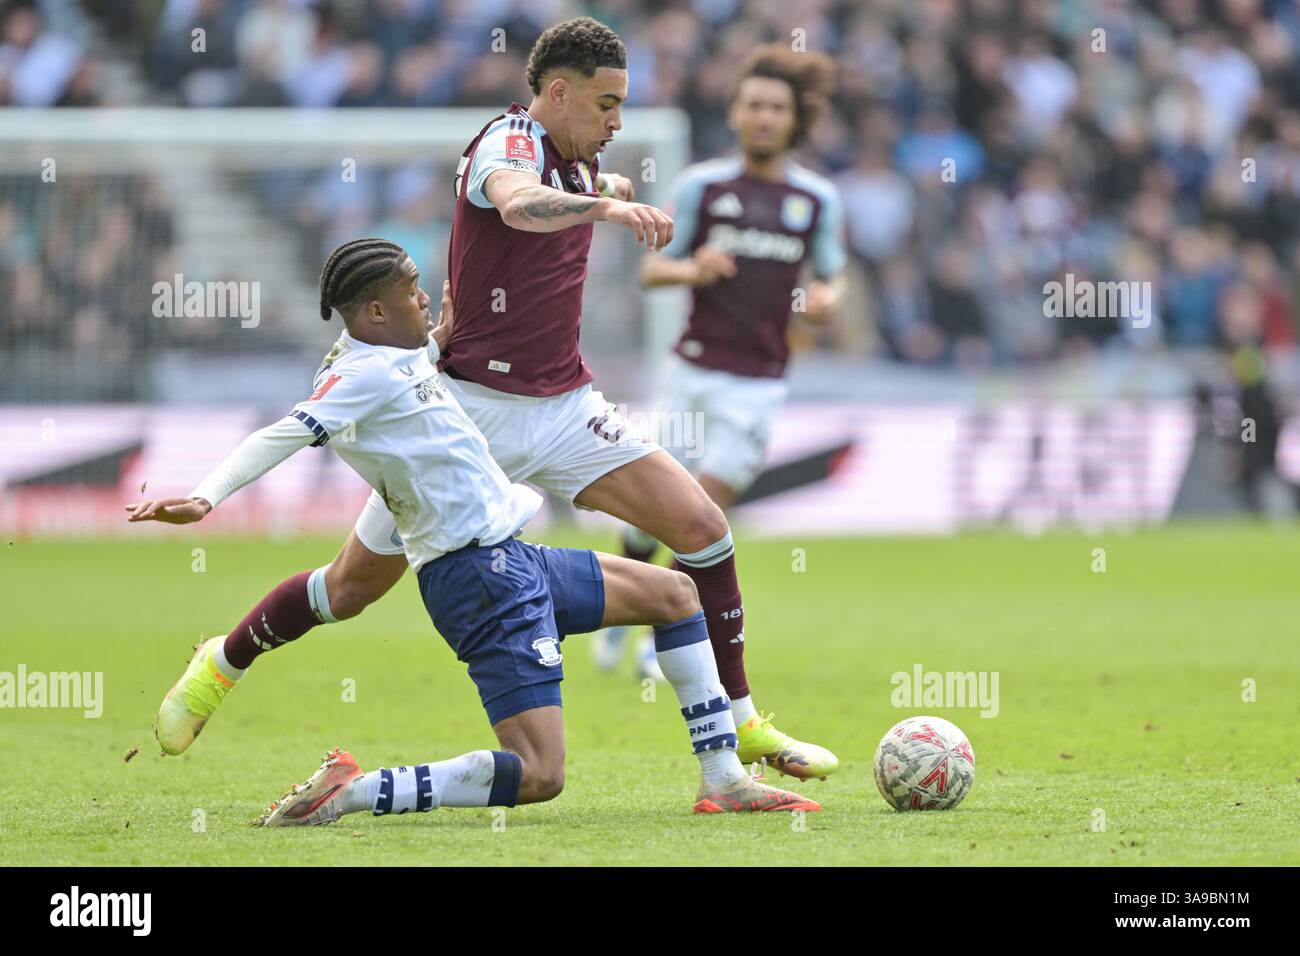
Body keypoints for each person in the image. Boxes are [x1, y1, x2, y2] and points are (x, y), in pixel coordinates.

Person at [168, 17, 836, 780]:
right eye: (607, 103)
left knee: (702, 528)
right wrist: (609, 208)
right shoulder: (508, 142)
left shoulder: (583, 165)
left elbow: (581, 193)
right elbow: (519, 204)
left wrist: (608, 190)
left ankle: (743, 724)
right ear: (558, 92)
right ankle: (221, 661)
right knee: (350, 589)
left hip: (565, 408)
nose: (618, 121)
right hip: (465, 416)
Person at [127, 240, 819, 820]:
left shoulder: (397, 354)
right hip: (477, 579)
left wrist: (441, 334)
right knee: (542, 774)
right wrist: (204, 496)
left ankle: (723, 780)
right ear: (373, 311)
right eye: (412, 291)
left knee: (675, 596)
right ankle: (351, 790)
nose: (423, 297)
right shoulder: (359, 376)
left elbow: (415, 361)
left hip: (514, 557)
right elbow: (283, 431)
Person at [596, 46, 846, 775]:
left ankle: (651, 632)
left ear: (794, 119)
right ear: (737, 112)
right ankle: (629, 607)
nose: (764, 117)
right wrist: (691, 267)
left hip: (760, 379)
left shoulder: (815, 201)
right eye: (753, 104)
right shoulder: (704, 185)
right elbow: (651, 269)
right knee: (658, 505)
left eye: (777, 107)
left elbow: (832, 280)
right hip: (693, 370)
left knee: (709, 508)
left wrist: (827, 301)